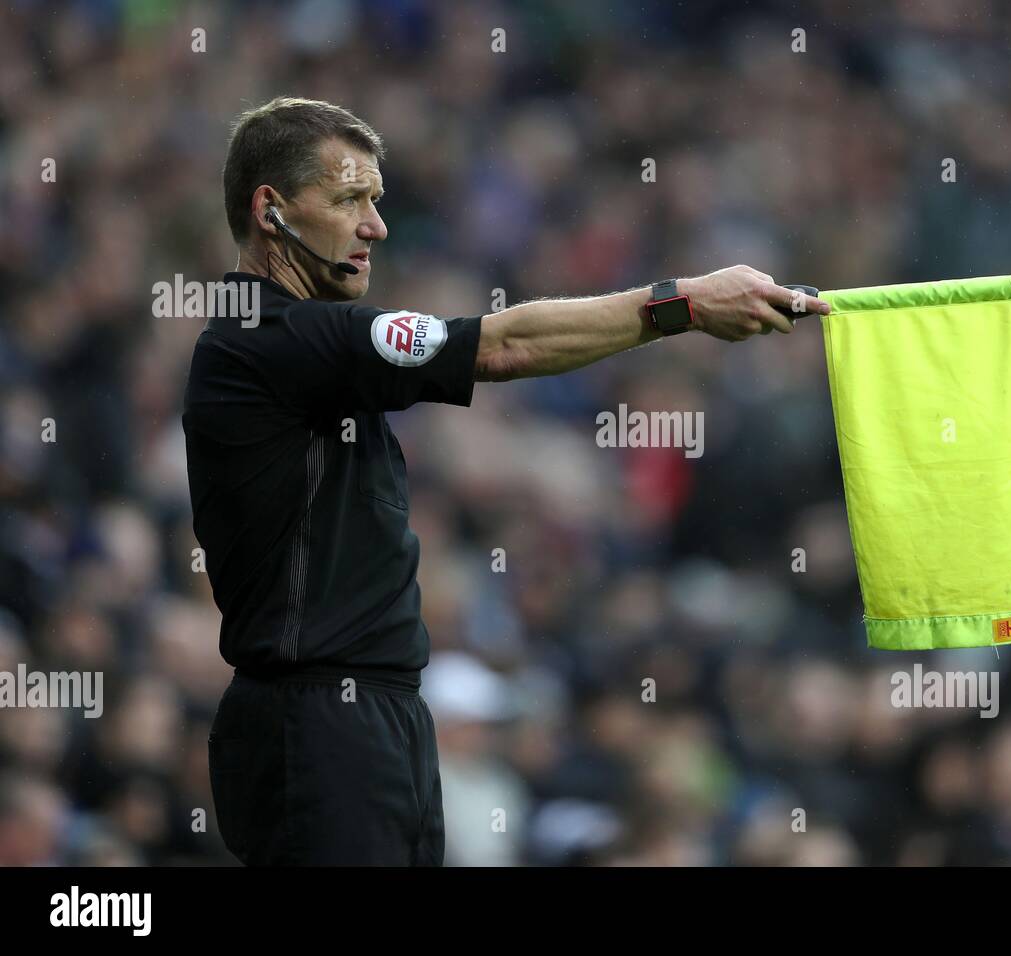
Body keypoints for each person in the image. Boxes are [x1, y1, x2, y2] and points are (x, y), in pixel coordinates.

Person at [183, 95, 830, 865]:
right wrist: (681, 303)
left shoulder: (301, 350)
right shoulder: (263, 335)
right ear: (270, 210)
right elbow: (502, 347)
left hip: (371, 720)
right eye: (349, 199)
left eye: (377, 202)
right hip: (318, 726)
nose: (375, 226)